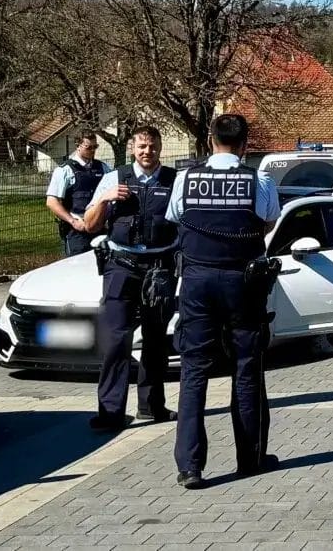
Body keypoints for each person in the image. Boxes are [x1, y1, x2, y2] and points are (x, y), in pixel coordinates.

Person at [165, 114, 281, 489]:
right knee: (246, 367)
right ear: (245, 144)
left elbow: (176, 217)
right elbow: (268, 221)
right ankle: (250, 457)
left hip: (197, 281)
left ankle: (190, 466)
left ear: (210, 139)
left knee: (193, 370)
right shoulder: (258, 179)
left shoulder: (186, 178)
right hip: (242, 282)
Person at [81, 126, 179, 432]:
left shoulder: (174, 181)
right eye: (142, 146)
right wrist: (105, 199)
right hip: (121, 266)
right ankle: (110, 413)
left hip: (159, 268)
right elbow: (89, 225)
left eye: (153, 146)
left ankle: (152, 406)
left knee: (155, 339)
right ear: (133, 149)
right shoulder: (114, 178)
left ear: (160, 148)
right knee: (115, 340)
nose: (147, 152)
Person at [44, 131, 110, 257]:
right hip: (76, 231)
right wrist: (73, 221)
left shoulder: (103, 168)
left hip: (100, 228)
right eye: (88, 147)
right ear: (78, 146)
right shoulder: (65, 170)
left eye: (95, 147)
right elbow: (51, 201)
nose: (93, 151)